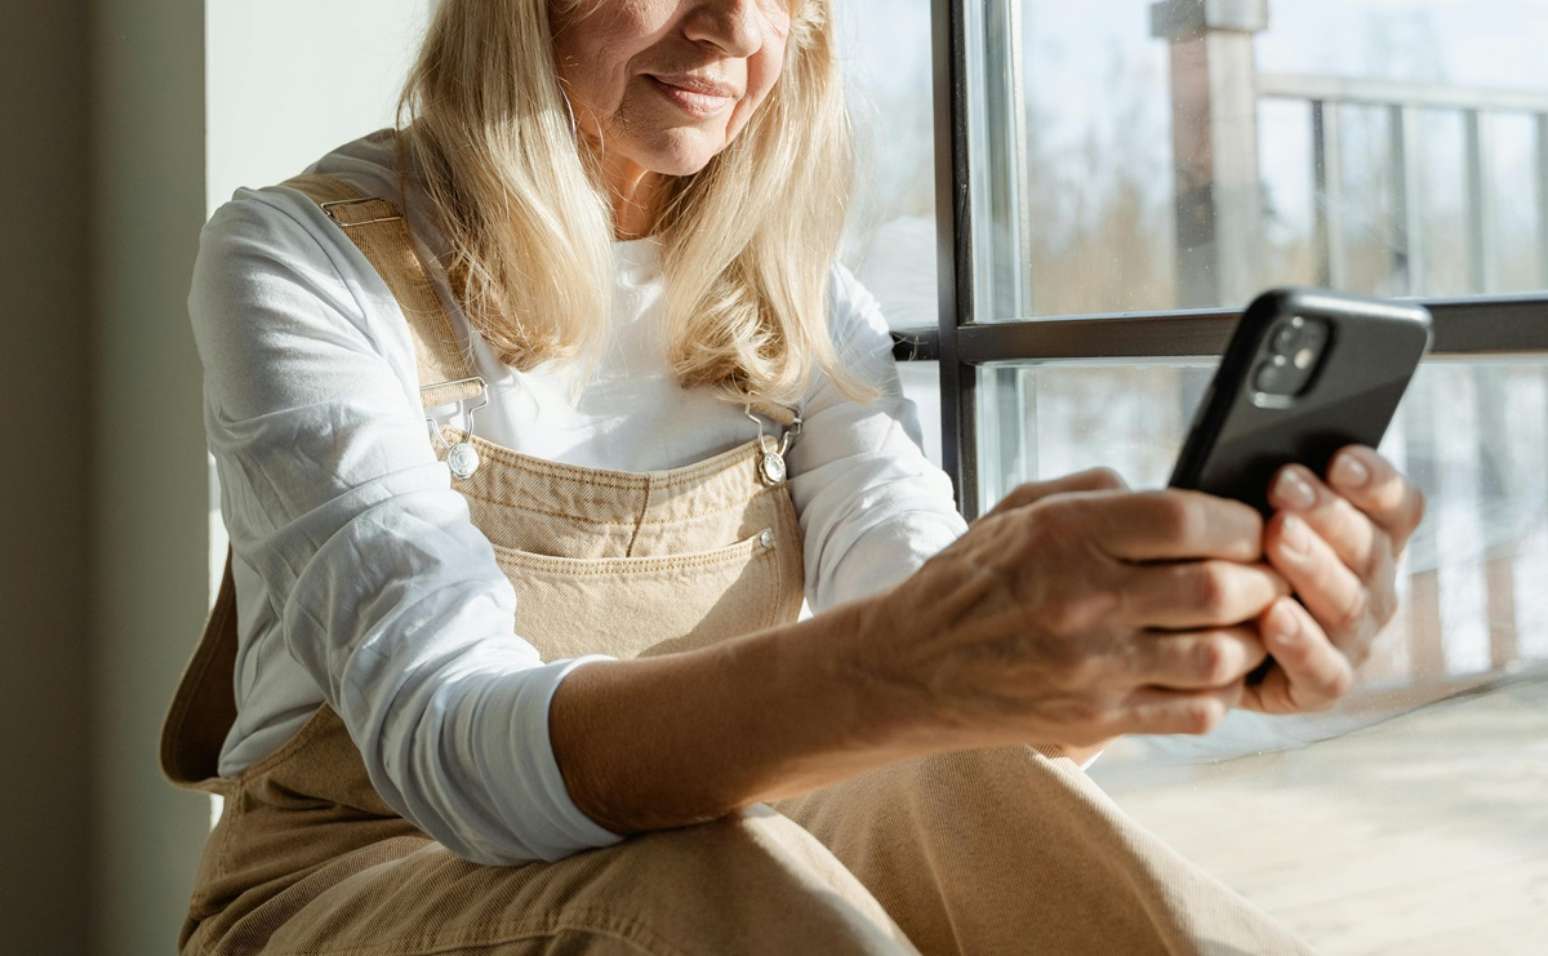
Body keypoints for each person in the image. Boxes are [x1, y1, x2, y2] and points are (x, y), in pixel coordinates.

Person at [162, 1, 1425, 953]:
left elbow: (951, 664)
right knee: (731, 885)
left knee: (975, 784)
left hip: (712, 820)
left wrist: (1150, 642)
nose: (732, 28)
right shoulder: (299, 258)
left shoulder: (802, 300)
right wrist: (919, 654)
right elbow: (451, 754)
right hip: (356, 872)